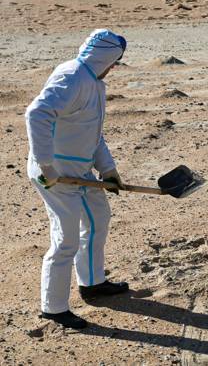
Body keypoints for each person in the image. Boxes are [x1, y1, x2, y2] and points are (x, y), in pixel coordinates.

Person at [25, 29, 130, 329]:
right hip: (56, 176)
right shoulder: (72, 76)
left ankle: (92, 283)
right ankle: (54, 307)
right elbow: (37, 114)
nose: (115, 68)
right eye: (116, 62)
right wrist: (46, 165)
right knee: (66, 237)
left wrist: (107, 169)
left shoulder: (94, 82)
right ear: (107, 57)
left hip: (80, 173)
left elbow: (92, 133)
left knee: (98, 217)